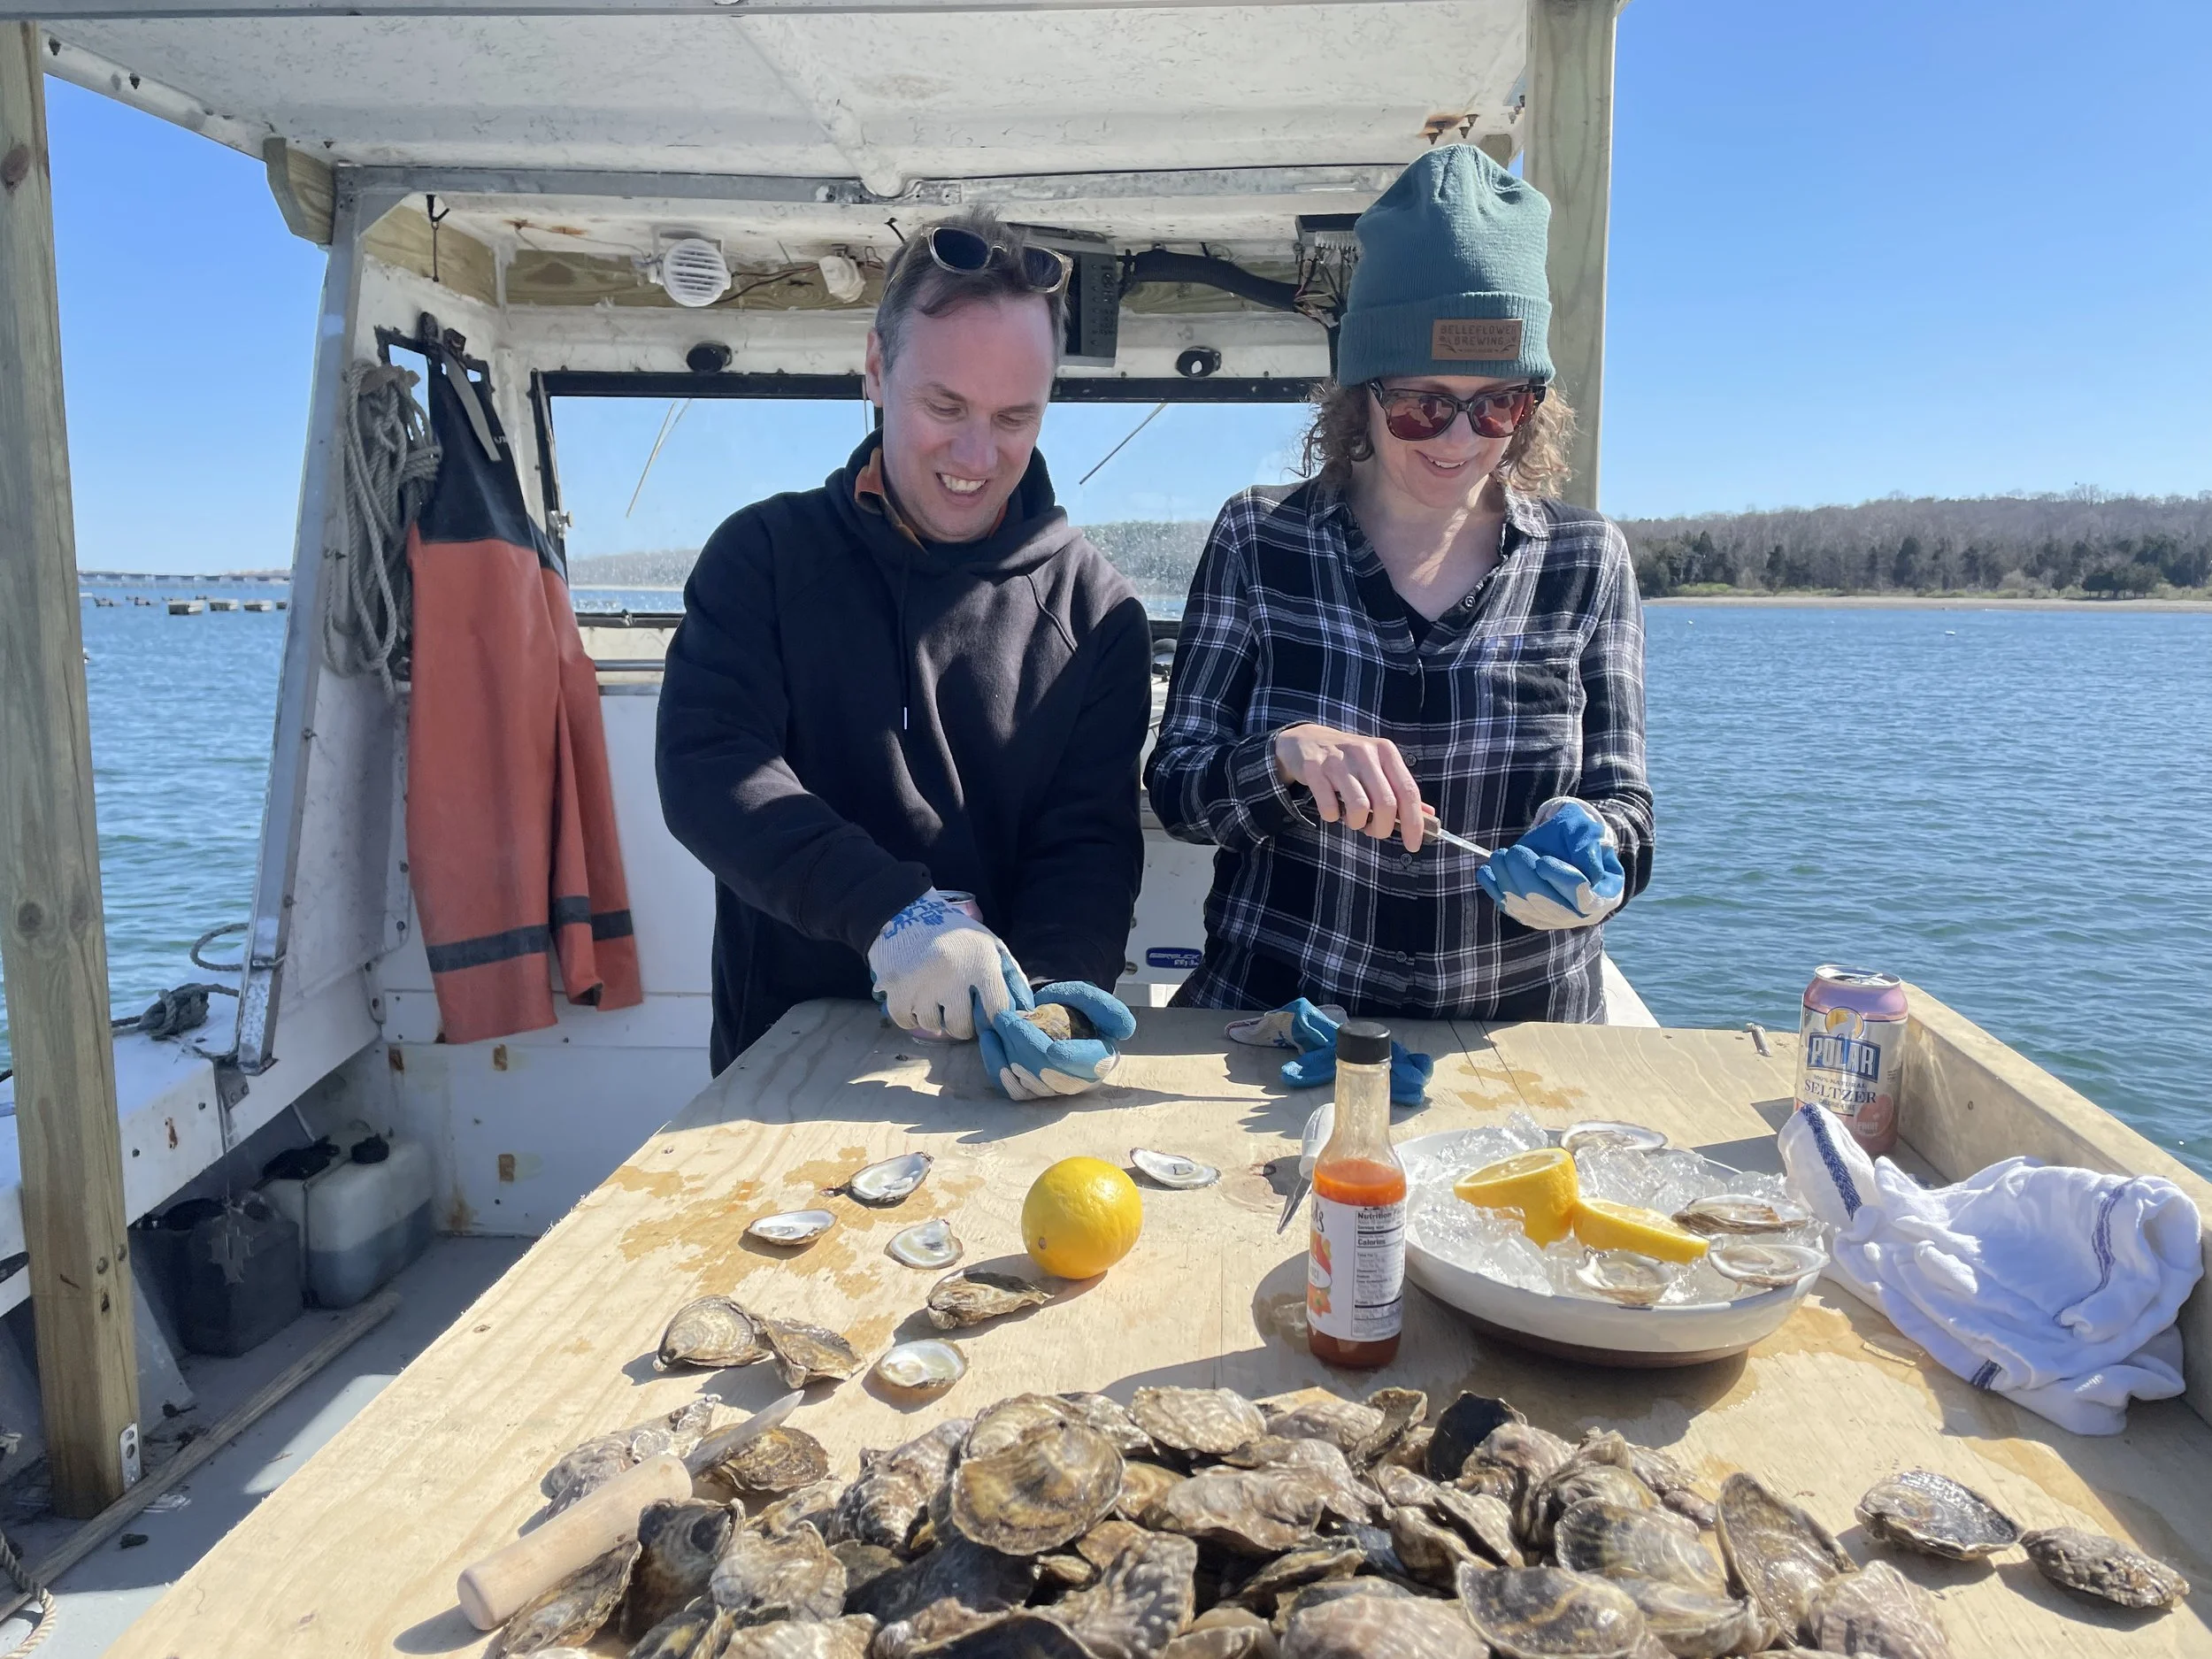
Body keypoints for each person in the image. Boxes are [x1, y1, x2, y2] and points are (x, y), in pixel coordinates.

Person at [1146, 145, 1653, 1028]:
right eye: (1422, 403)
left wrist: (1597, 844)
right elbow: (1179, 789)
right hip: (1278, 1023)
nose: (1458, 442)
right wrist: (1283, 759)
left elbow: (1628, 808)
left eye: (1497, 406)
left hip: (1514, 1042)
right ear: (1360, 394)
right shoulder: (1259, 539)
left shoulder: (1587, 560)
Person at [657, 211, 1150, 1095]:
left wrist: (1062, 1002)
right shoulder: (761, 559)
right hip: (780, 1060)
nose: (975, 454)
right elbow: (711, 771)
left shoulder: (1098, 613)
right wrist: (892, 917)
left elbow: (1086, 847)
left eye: (1014, 417)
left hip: (994, 1062)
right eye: (944, 406)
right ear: (878, 371)